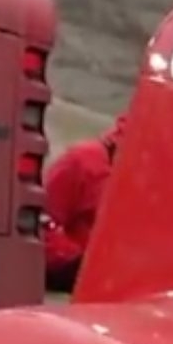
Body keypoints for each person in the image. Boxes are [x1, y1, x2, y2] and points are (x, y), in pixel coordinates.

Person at [43, 115, 126, 293]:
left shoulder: (160, 175)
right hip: (73, 275)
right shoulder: (83, 161)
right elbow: (39, 223)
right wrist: (80, 262)